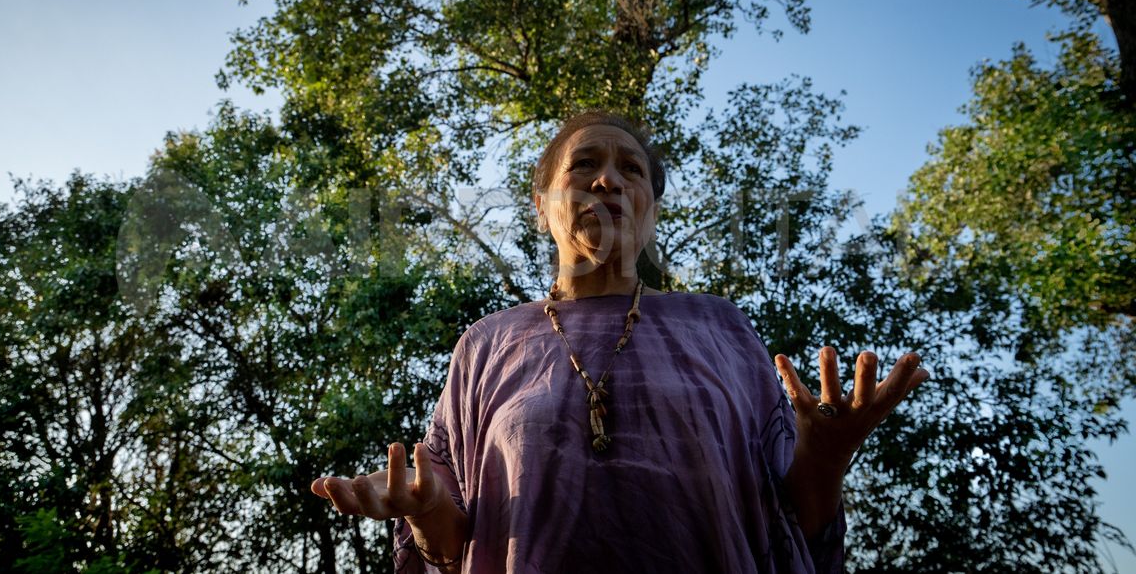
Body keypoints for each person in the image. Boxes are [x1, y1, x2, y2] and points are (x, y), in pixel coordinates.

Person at [311, 111, 929, 573]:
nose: (608, 180)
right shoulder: (487, 343)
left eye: (630, 169)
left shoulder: (720, 327)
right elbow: (451, 544)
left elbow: (795, 521)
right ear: (541, 205)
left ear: (650, 209)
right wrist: (424, 507)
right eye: (584, 165)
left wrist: (826, 452)